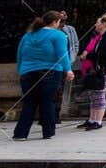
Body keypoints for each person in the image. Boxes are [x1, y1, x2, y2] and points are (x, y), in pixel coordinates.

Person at [12, 12, 72, 140]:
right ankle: (48, 132)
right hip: (51, 71)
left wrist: (21, 71)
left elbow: (19, 55)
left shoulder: (28, 35)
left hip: (27, 72)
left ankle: (20, 134)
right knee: (47, 102)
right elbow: (62, 54)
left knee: (29, 103)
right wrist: (68, 70)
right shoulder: (59, 35)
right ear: (55, 22)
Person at [77, 14, 106, 131]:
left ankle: (98, 121)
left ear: (104, 24)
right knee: (94, 94)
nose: (95, 24)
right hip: (99, 68)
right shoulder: (101, 36)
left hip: (105, 69)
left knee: (99, 94)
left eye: (98, 22)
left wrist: (89, 56)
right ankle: (92, 119)